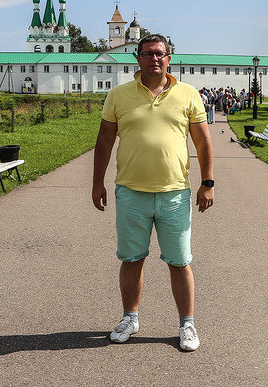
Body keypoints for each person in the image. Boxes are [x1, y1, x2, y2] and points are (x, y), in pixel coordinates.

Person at [92, 34, 215, 352]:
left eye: (160, 54)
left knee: (179, 261)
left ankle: (187, 324)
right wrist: (97, 182)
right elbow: (105, 140)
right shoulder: (119, 95)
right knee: (132, 259)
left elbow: (202, 141)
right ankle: (130, 318)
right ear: (138, 58)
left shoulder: (187, 94)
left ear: (169, 58)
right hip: (131, 192)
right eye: (147, 54)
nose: (154, 59)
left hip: (174, 193)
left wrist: (208, 182)